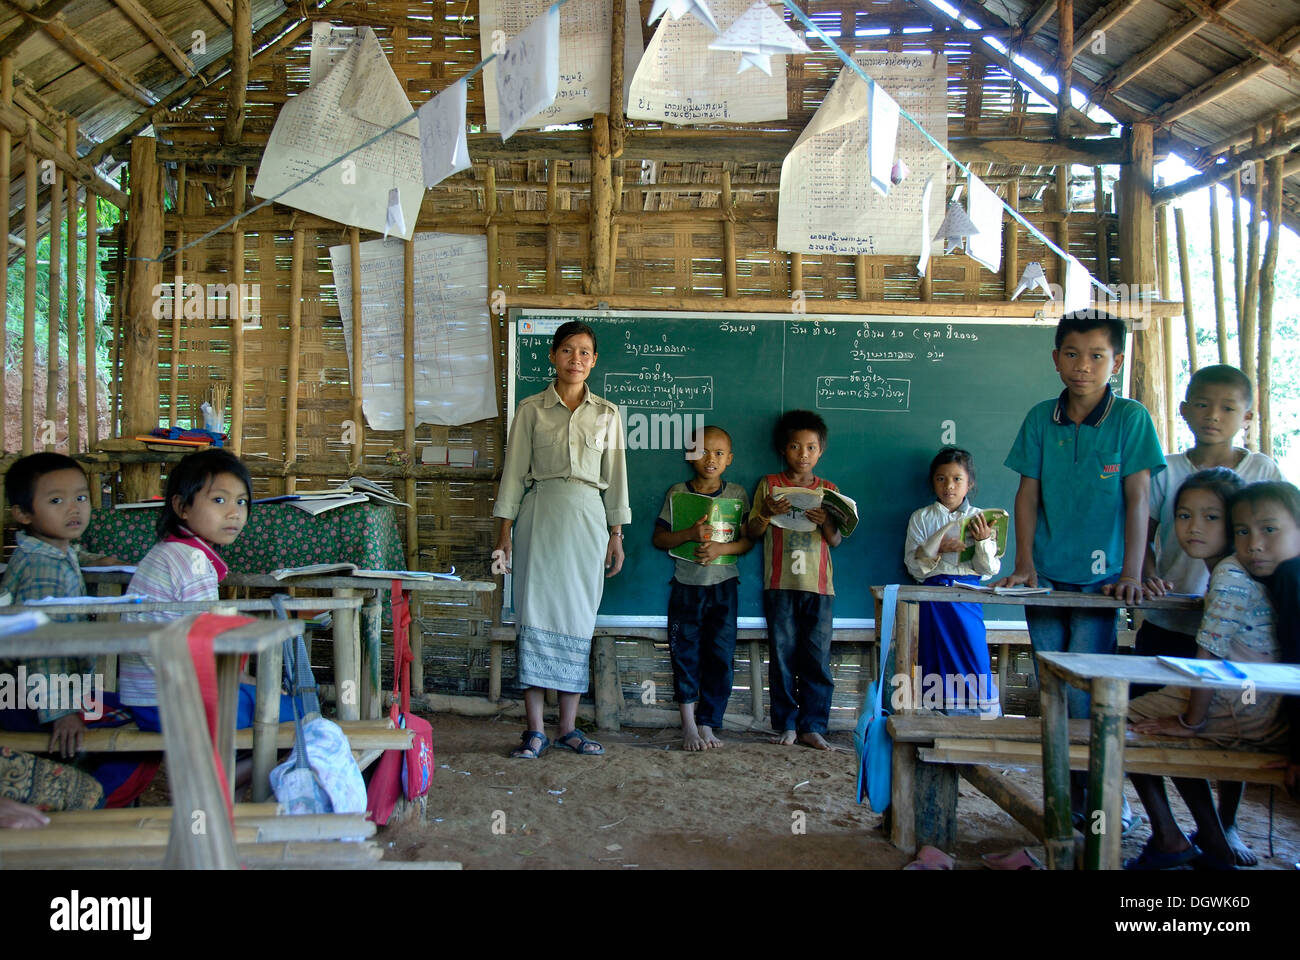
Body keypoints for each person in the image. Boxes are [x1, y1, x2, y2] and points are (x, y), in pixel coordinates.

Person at [999, 310, 1165, 817]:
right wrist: (1025, 563)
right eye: (1072, 354)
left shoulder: (1130, 419)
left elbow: (1139, 501)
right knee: (1052, 683)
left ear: (1116, 361)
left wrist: (1131, 574)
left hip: (1103, 580)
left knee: (1085, 690)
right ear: (1055, 359)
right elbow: (1027, 495)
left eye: (1097, 356)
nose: (1083, 366)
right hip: (1047, 576)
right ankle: (1068, 797)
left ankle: (1094, 800)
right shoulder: (1039, 419)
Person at [1135, 366, 1284, 866]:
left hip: (1230, 652)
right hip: (1173, 620)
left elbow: (1214, 651)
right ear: (1184, 409)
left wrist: (1193, 719)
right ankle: (1195, 833)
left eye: (1225, 407)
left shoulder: (1260, 472)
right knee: (1162, 715)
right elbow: (1143, 531)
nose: (1212, 416)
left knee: (1157, 724)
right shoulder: (1164, 466)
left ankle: (1219, 829)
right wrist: (1147, 575)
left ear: (1247, 414)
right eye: (1201, 404)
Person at [493, 320, 630, 759]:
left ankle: (568, 728)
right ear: (553, 356)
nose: (576, 359)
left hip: (588, 522)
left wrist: (615, 535)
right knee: (534, 613)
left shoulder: (608, 414)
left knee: (576, 619)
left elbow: (617, 482)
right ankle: (534, 731)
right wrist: (505, 536)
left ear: (594, 360)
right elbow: (513, 476)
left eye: (585, 352)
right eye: (568, 350)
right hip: (540, 518)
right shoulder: (531, 410)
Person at [0, 455, 149, 807]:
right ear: (23, 513)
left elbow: (70, 553)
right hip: (30, 698)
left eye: (81, 498)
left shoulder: (48, 553)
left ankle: (74, 795)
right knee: (145, 724)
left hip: (31, 691)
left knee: (138, 718)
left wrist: (89, 559)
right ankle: (84, 807)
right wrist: (60, 711)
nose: (74, 509)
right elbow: (43, 645)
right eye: (56, 501)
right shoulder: (42, 571)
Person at [118, 449, 294, 732]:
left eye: (242, 501)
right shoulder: (193, 560)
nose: (234, 512)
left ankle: (235, 771)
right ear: (181, 507)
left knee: (265, 703)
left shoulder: (168, 551)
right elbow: (207, 647)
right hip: (176, 703)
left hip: (146, 699)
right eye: (219, 500)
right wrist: (248, 682)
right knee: (292, 713)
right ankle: (235, 775)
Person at [745, 410, 843, 750]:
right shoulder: (769, 485)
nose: (803, 454)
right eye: (795, 447)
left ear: (821, 451)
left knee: (817, 658)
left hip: (818, 587)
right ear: (783, 449)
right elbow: (752, 532)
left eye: (811, 448)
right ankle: (786, 723)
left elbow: (836, 540)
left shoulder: (828, 490)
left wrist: (825, 522)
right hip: (780, 584)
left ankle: (812, 725)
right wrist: (766, 513)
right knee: (783, 655)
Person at [652, 425, 753, 750]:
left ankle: (709, 723)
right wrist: (689, 536)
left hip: (724, 588)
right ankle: (689, 726)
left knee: (720, 656)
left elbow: (747, 541)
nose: (711, 459)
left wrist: (720, 549)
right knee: (684, 654)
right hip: (687, 586)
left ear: (730, 459)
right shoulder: (678, 493)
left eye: (719, 453)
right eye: (703, 451)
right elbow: (660, 538)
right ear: (690, 455)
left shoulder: (736, 494)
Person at [903, 447, 1001, 715]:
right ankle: (933, 720)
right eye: (941, 478)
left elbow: (989, 569)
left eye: (957, 479)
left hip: (968, 598)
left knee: (972, 654)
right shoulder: (921, 518)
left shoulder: (984, 518)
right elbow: (915, 568)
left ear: (970, 483)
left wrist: (982, 542)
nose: (949, 486)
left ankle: (974, 721)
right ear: (932, 482)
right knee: (932, 658)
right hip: (933, 599)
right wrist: (939, 548)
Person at [1232, 482, 1300, 805]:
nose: (1254, 545)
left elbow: (1296, 666)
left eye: (1269, 529)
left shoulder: (1292, 575)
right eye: (1242, 532)